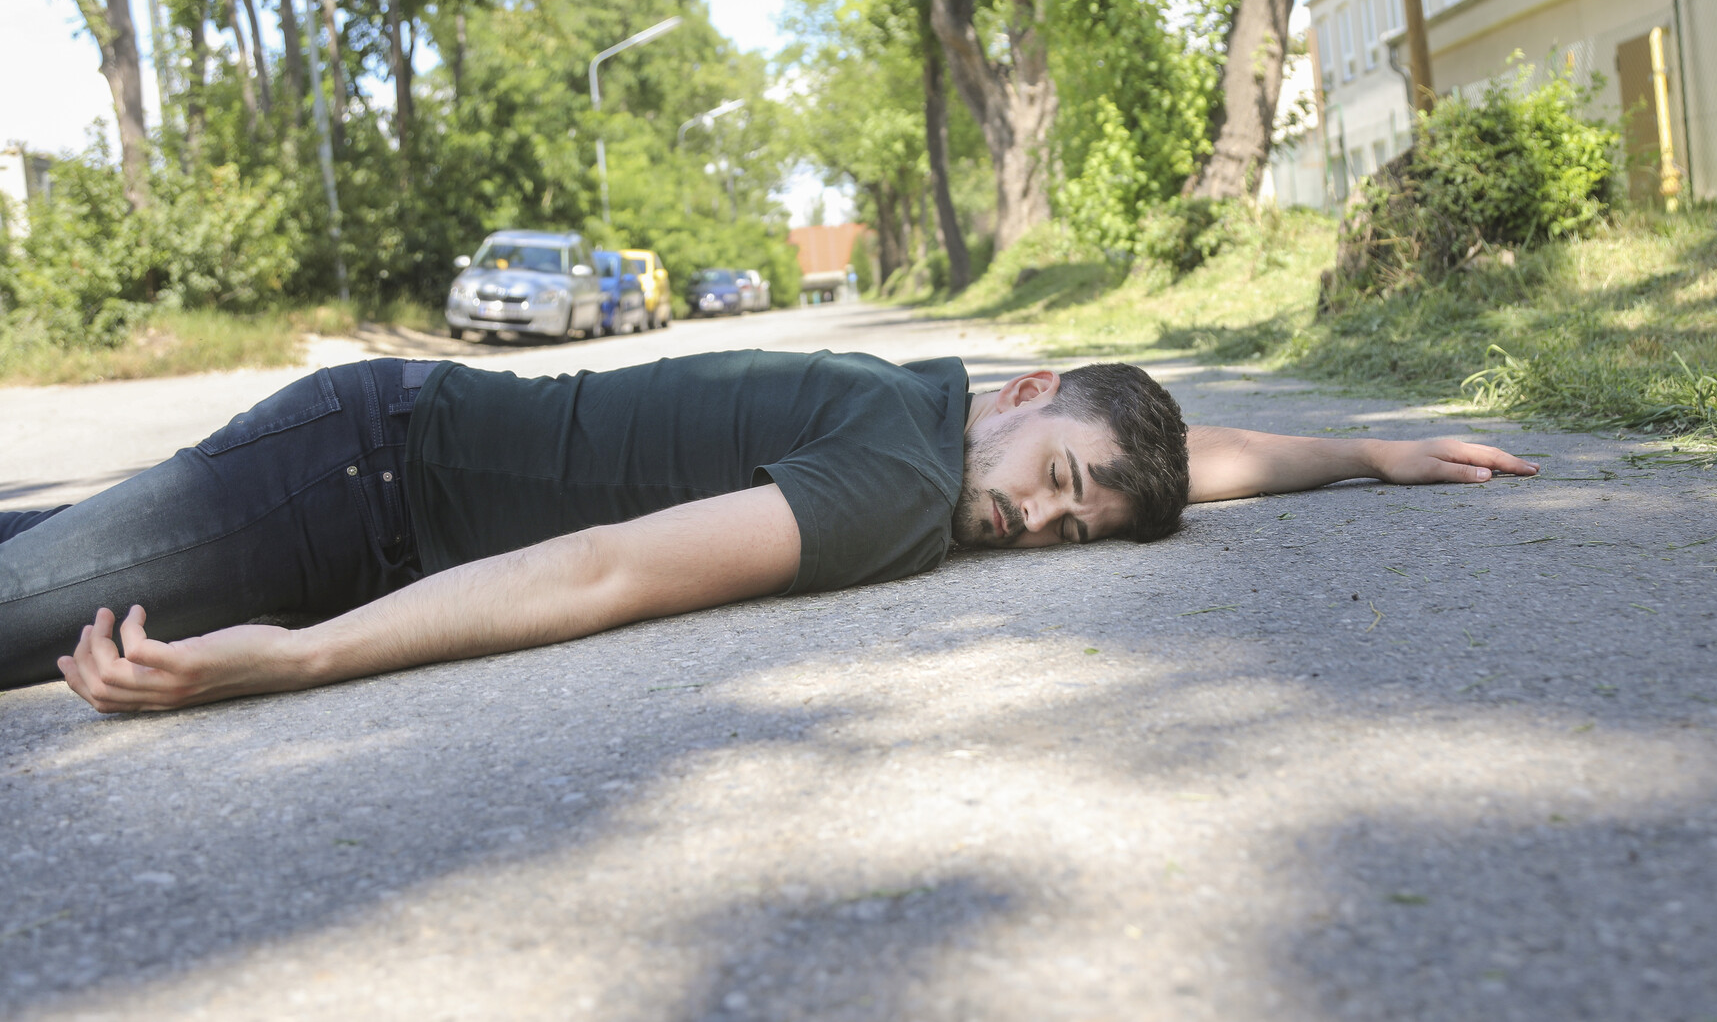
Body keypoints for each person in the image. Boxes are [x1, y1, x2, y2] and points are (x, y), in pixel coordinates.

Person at [1, 352, 1536, 713]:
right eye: (1057, 477)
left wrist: (1381, 456)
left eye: (1075, 530)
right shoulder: (893, 487)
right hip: (357, 484)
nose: (1034, 522)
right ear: (1026, 394)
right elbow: (601, 575)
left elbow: (1211, 454)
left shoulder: (950, 419)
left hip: (369, 459)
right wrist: (298, 657)